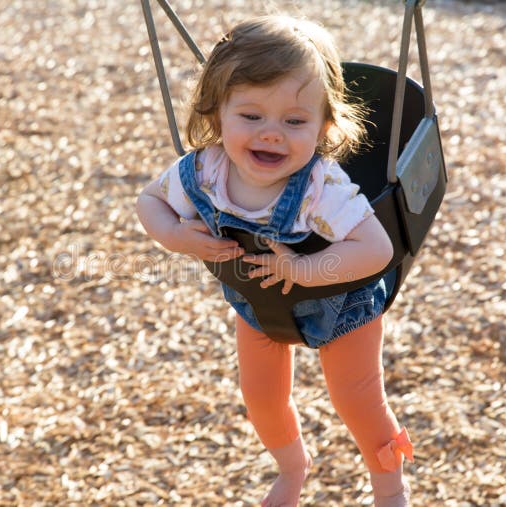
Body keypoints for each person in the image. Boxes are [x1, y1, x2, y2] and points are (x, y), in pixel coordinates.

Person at [136, 15, 413, 507]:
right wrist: (178, 236)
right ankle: (292, 469)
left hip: (341, 307)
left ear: (324, 126)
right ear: (216, 112)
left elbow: (378, 251)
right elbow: (149, 202)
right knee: (262, 398)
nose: (271, 135)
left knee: (359, 403)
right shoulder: (205, 169)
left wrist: (305, 269)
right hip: (259, 305)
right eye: (251, 116)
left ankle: (390, 489)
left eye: (294, 121)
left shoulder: (320, 187)